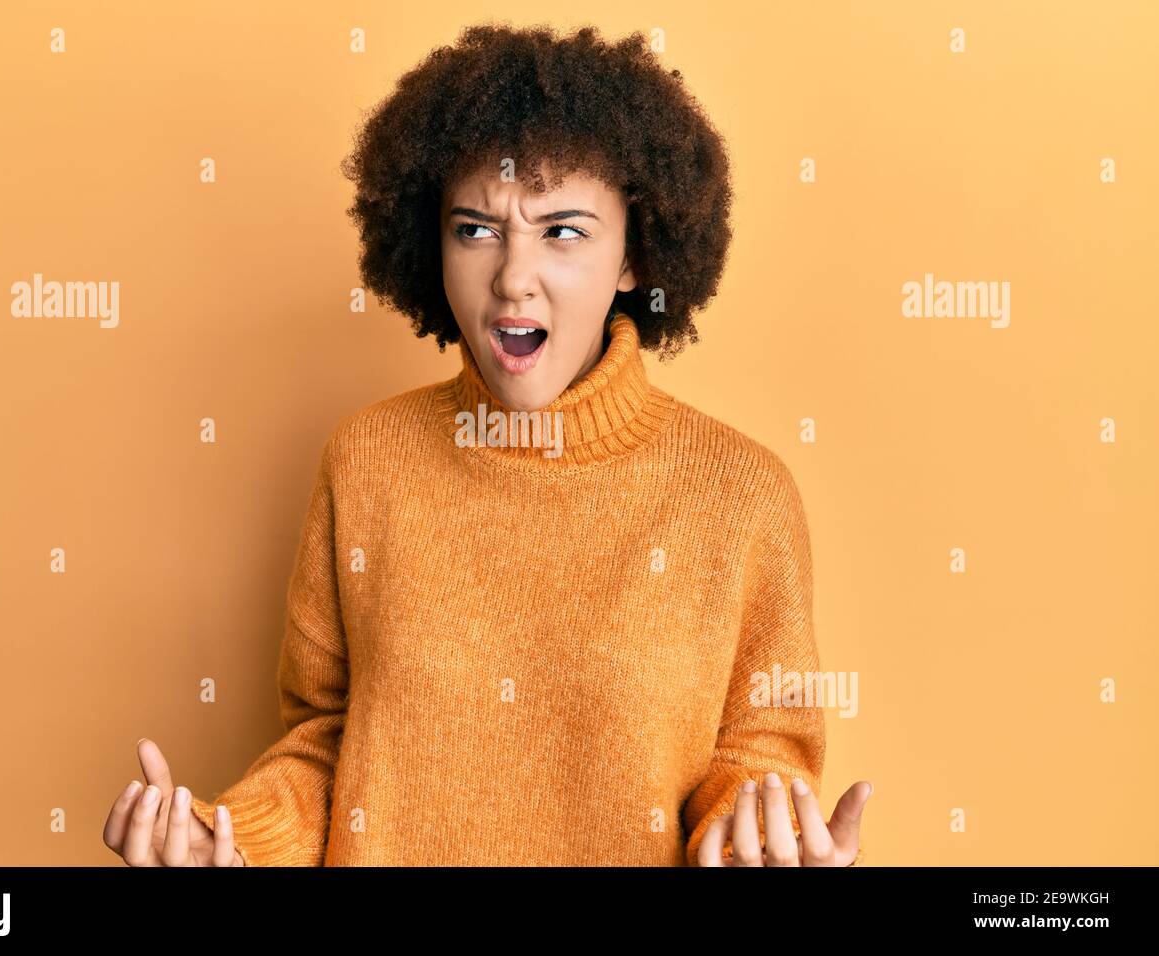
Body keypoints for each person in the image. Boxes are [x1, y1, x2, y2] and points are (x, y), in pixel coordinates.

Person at [103, 22, 871, 867]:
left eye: (564, 231)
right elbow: (331, 745)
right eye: (475, 229)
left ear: (633, 255)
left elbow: (761, 757)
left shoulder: (739, 493)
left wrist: (751, 832)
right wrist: (233, 838)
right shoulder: (365, 462)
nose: (512, 276)